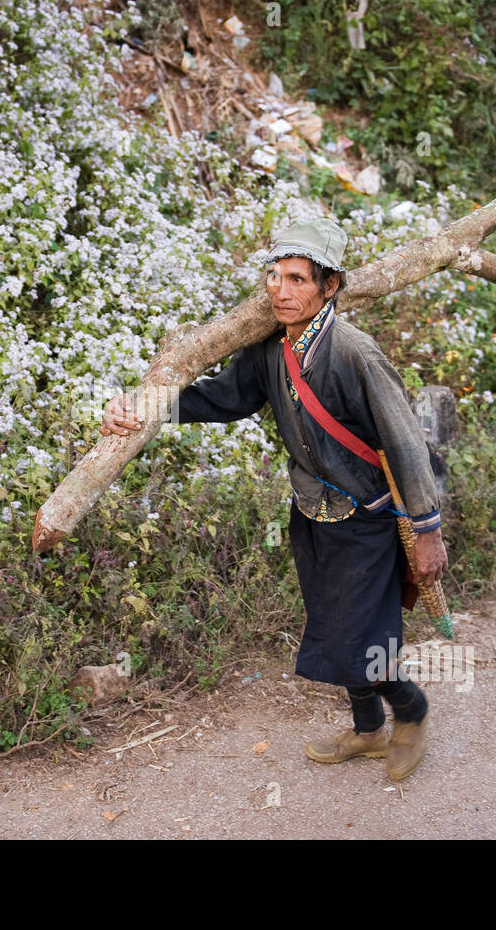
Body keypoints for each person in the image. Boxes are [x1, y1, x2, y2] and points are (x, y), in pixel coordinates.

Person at [100, 218, 448, 780]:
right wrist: (145, 408)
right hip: (312, 513)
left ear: (330, 286)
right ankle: (368, 731)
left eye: (296, 279)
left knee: (362, 633)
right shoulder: (272, 349)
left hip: (368, 518)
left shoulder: (355, 353)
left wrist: (427, 533)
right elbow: (224, 399)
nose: (280, 291)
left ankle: (412, 710)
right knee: (334, 627)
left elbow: (405, 442)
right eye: (273, 276)